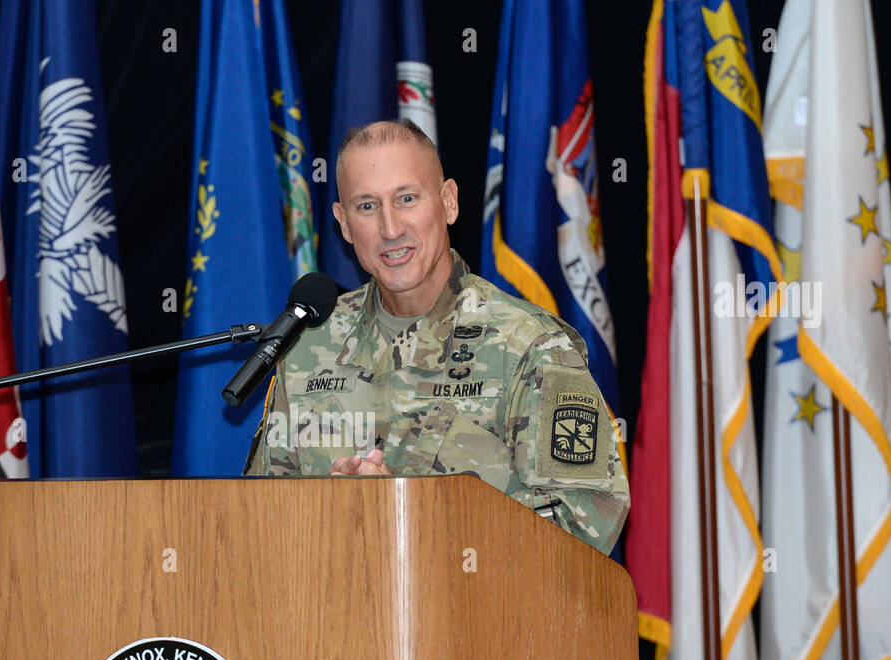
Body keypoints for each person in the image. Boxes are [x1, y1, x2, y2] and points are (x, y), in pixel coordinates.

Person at [242, 119, 628, 555]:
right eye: (367, 206)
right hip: (334, 615)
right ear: (344, 224)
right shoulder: (308, 346)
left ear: (447, 202)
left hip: (480, 618)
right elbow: (261, 519)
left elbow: (584, 527)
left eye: (407, 199)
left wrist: (412, 518)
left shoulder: (529, 348)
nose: (390, 229)